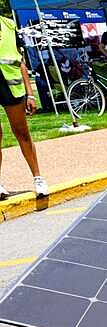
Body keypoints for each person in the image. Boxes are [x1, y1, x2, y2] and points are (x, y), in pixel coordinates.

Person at [0, 14, 48, 198]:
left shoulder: (9, 24)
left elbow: (19, 60)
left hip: (12, 85)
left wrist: (30, 93)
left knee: (22, 132)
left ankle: (38, 178)